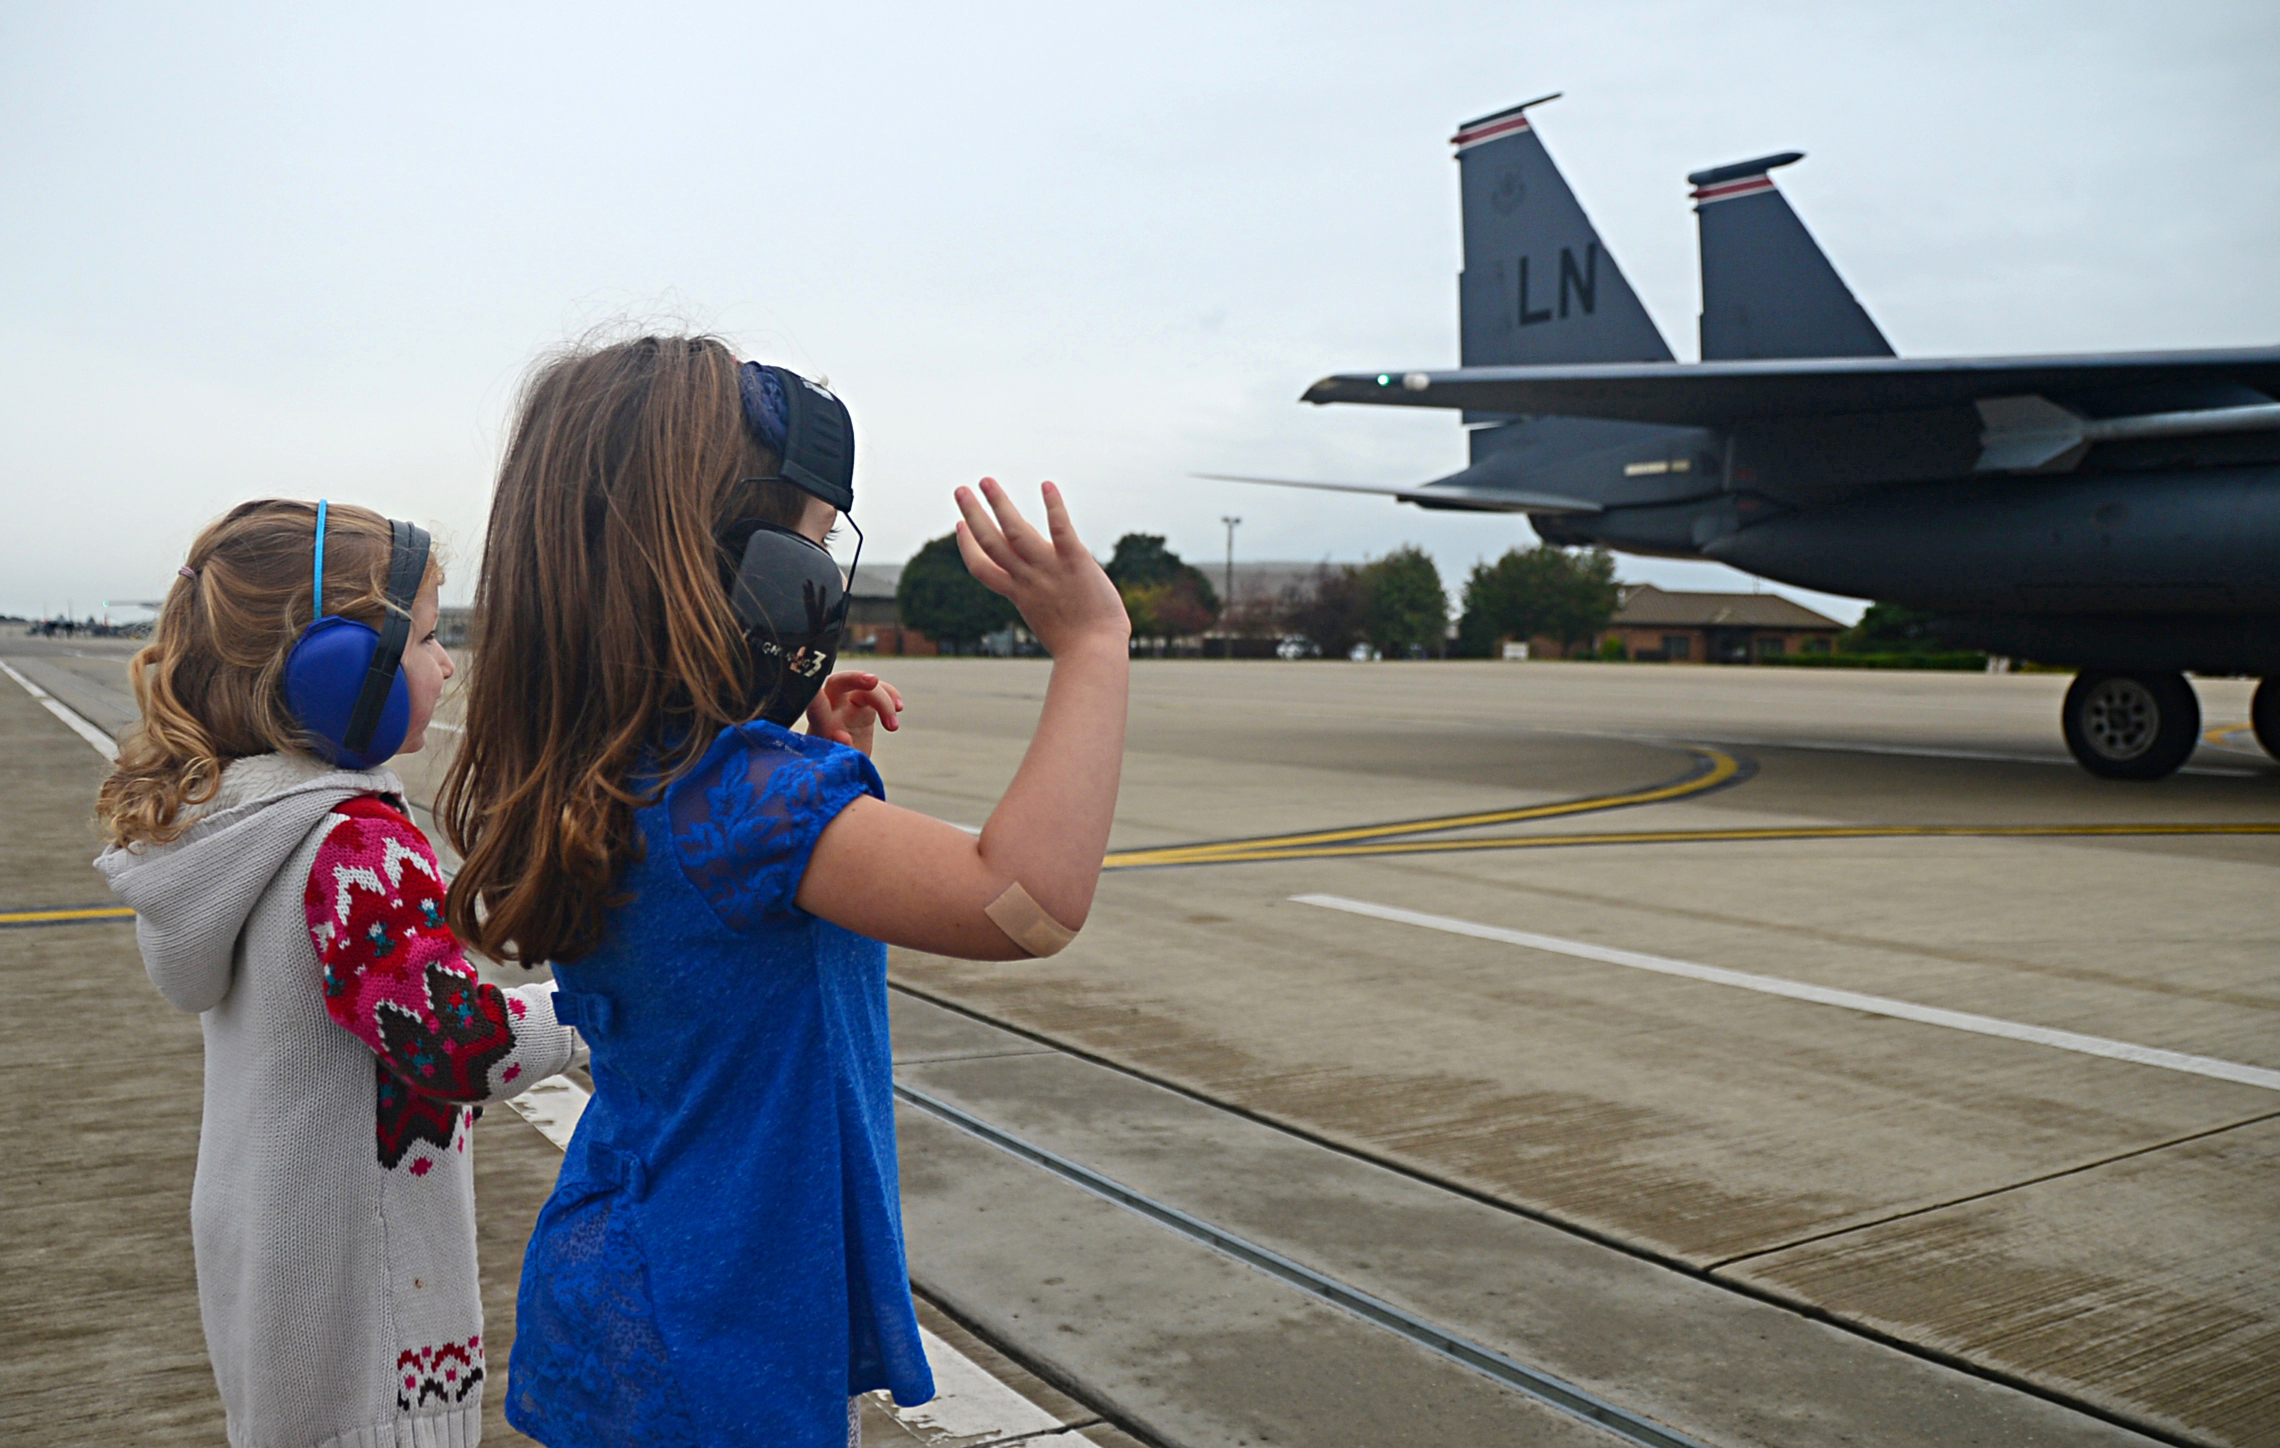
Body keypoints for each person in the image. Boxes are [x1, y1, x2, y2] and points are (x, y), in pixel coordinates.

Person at [438, 335, 1130, 1448]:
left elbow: (730, 923)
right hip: (723, 1336)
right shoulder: (749, 799)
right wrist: (1094, 644)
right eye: (811, 544)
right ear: (736, 571)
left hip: (624, 1297)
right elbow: (1024, 901)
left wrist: (817, 763)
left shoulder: (605, 773)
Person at [96, 499, 583, 1448]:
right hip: (371, 1328)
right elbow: (461, 1046)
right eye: (428, 639)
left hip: (273, 1292)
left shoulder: (226, 836)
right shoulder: (355, 847)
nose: (448, 666)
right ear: (339, 672)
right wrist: (597, 1007)